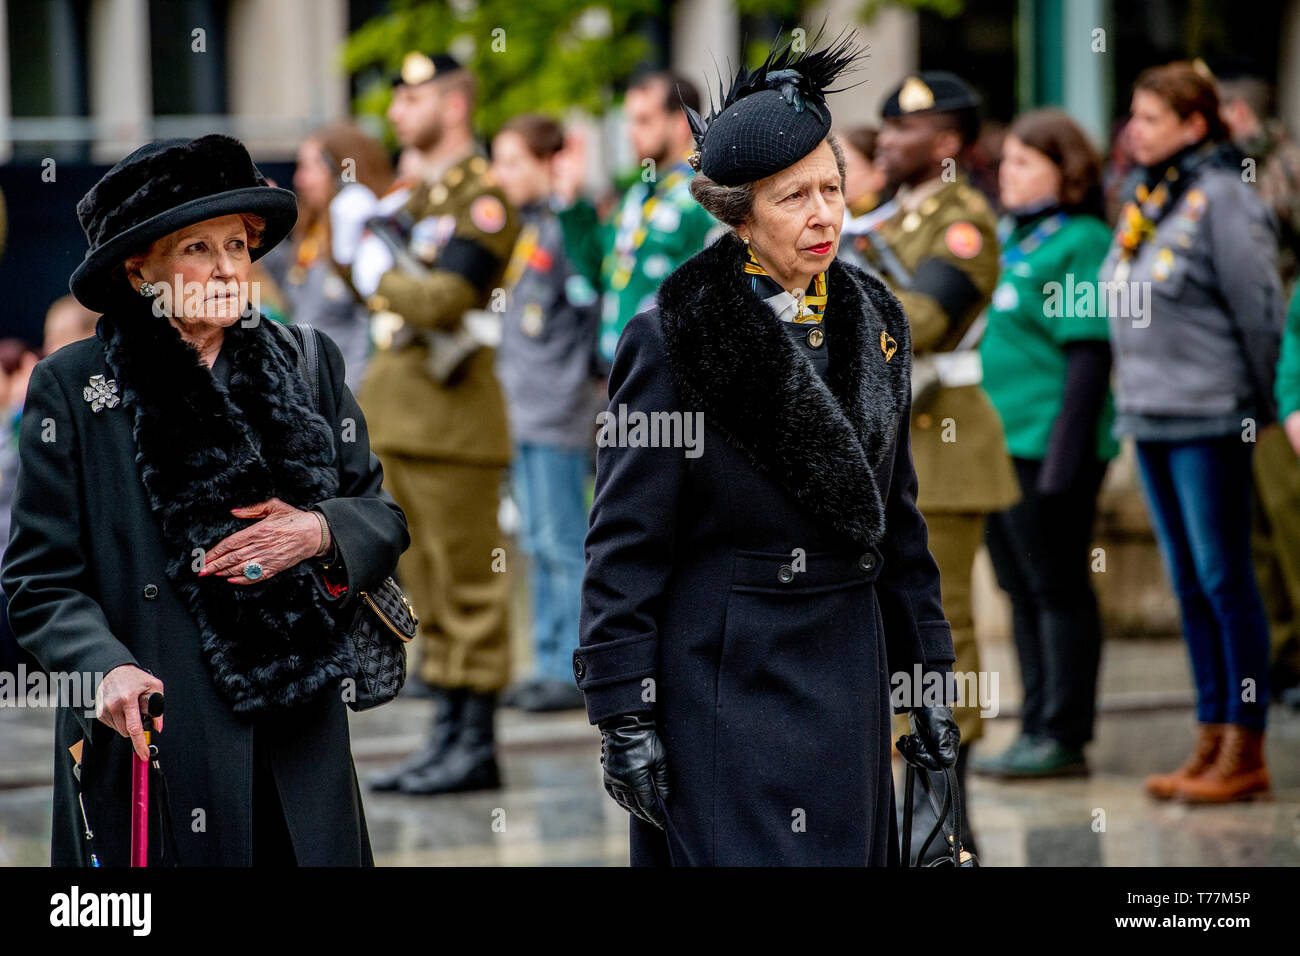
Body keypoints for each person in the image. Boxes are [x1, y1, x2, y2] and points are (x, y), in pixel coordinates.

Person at [574, 33, 960, 866]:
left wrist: (928, 682)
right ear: (738, 214)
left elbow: (897, 522)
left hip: (848, 674)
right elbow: (623, 542)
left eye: (832, 188)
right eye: (793, 198)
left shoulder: (876, 319)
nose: (824, 215)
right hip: (726, 684)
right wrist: (624, 714)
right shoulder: (673, 339)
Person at [1, 134, 410, 865]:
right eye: (197, 248)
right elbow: (39, 583)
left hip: (300, 738)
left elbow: (380, 513)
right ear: (140, 268)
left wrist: (318, 532)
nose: (228, 270)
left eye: (238, 246)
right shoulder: (73, 385)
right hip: (157, 734)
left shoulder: (306, 361)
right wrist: (103, 668)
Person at [1103, 62, 1282, 803]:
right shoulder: (1149, 198)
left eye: (1149, 118)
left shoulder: (1224, 200)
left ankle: (1245, 746)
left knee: (1222, 578)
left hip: (1213, 415)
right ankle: (1208, 736)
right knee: (1188, 582)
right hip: (1150, 413)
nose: (1133, 130)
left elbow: (1261, 311)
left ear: (1194, 125)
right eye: (1134, 115)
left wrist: (1259, 405)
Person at [864, 70, 1020, 851]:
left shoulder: (963, 222)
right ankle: (919, 808)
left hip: (948, 443)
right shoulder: (887, 216)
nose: (886, 141)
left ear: (949, 143)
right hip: (902, 442)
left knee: (942, 628)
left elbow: (922, 317)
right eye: (885, 130)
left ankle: (944, 820)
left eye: (904, 132)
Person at [359, 52, 522, 796]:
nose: (396, 111)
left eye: (411, 96)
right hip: (402, 417)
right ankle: (445, 737)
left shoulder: (482, 196)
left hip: (454, 425)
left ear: (455, 106)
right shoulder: (415, 200)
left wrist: (376, 274)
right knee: (424, 587)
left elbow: (445, 300)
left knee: (468, 587)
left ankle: (476, 745)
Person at [973, 110, 1117, 779]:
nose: (1010, 173)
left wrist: (1065, 463)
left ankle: (1064, 734)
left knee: (1057, 588)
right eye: (1007, 161)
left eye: (1027, 162)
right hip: (998, 447)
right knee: (1019, 588)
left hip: (1047, 448)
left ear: (1068, 170)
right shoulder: (1014, 236)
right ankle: (1033, 723)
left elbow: (1088, 356)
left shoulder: (1081, 239)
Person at [490, 114, 601, 713]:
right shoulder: (529, 227)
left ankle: (572, 666)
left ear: (546, 164)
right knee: (533, 539)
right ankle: (544, 656)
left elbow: (590, 300)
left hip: (557, 407)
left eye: (511, 161)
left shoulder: (565, 226)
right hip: (523, 406)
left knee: (561, 540)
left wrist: (573, 197)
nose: (500, 174)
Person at [559, 70, 721, 369]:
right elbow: (597, 272)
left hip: (667, 372)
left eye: (644, 120)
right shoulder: (636, 195)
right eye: (629, 120)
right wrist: (573, 205)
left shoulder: (704, 199)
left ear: (680, 124)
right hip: (617, 367)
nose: (632, 132)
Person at [260, 123, 394, 392]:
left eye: (310, 168)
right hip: (306, 390)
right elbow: (284, 296)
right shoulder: (311, 235)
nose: (299, 179)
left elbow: (369, 330)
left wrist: (350, 403)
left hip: (345, 393)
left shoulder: (367, 237)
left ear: (342, 172)